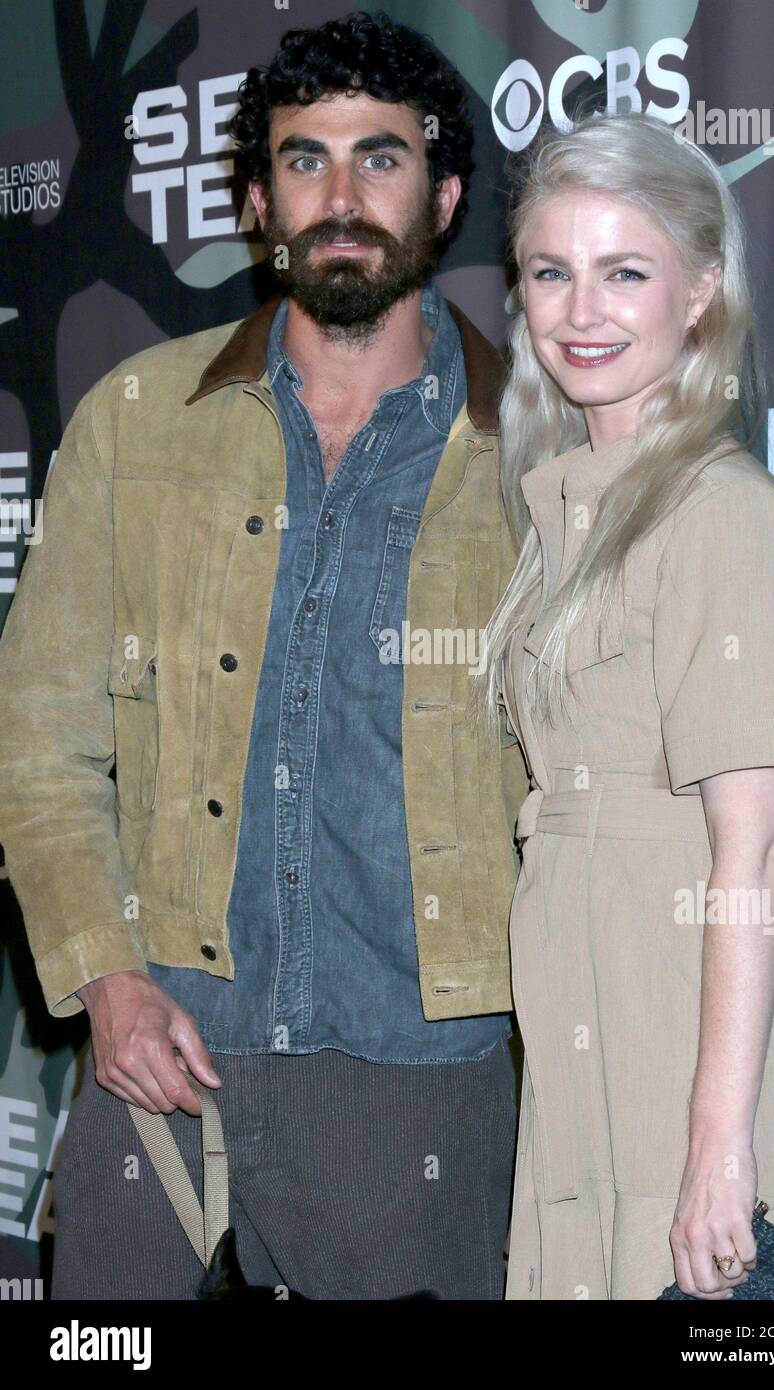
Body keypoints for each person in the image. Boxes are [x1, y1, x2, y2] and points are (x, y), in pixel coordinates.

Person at [0, 12, 526, 1300]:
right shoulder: (136, 423)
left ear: (444, 194)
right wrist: (104, 981)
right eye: (305, 161)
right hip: (158, 1056)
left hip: (424, 1076)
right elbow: (40, 732)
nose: (341, 196)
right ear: (254, 200)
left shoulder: (540, 456)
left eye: (381, 158)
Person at [478, 111, 774, 1301]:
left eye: (623, 272)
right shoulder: (559, 523)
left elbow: (746, 850)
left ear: (698, 291)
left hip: (697, 1124)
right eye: (551, 272)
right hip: (587, 1101)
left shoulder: (716, 514)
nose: (581, 311)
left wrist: (713, 1157)